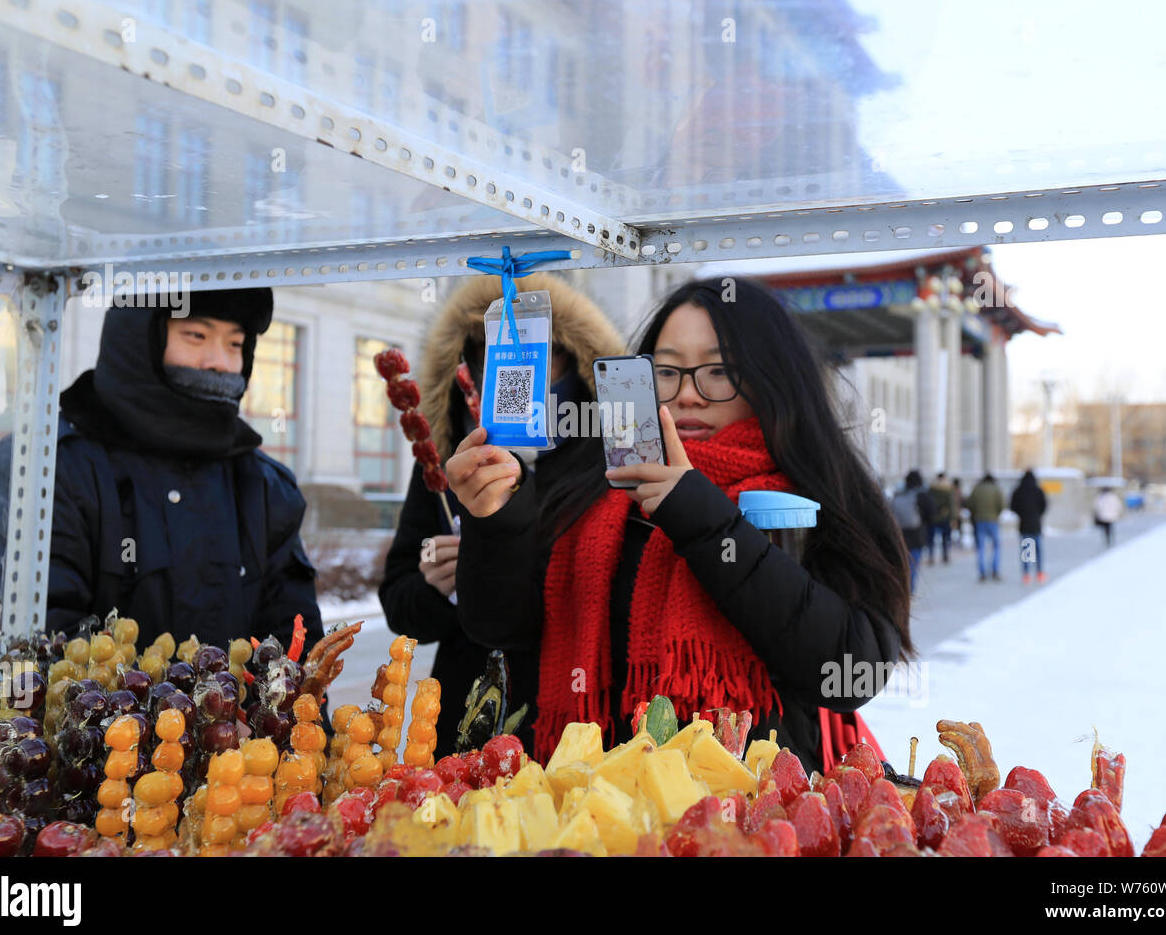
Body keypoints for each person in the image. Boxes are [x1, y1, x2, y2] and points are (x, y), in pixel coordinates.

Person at [447, 276, 913, 776]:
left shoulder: (815, 491)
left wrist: (697, 512)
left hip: (753, 818)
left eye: (719, 371)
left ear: (770, 379)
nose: (688, 395)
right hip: (598, 813)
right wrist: (496, 522)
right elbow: (502, 630)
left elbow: (849, 673)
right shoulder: (593, 489)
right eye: (666, 370)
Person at [0, 289, 322, 655]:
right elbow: (21, 673)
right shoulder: (39, 474)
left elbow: (296, 662)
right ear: (140, 340)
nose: (219, 362)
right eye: (196, 335)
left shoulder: (262, 486)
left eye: (235, 344)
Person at [378, 273, 623, 757]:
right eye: (490, 352)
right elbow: (400, 603)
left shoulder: (607, 458)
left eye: (539, 352)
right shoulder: (449, 461)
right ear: (467, 366)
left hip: (579, 720)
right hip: (469, 716)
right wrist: (440, 587)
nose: (515, 370)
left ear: (571, 359)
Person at [892, 470, 934, 593]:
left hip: (900, 533)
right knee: (914, 563)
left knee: (902, 562)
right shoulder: (922, 495)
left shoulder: (898, 494)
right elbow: (931, 514)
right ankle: (909, 589)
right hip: (917, 534)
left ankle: (902, 586)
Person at [1010, 469, 1048, 583]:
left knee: (1027, 551)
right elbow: (1044, 505)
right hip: (1036, 524)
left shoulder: (1018, 490)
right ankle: (1039, 572)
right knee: (1038, 550)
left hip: (1024, 524)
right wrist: (1037, 514)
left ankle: (1026, 574)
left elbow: (1013, 506)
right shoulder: (1038, 490)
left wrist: (1021, 514)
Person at [966, 472, 1004, 583]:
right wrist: (996, 514)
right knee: (996, 546)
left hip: (980, 521)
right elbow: (1001, 505)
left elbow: (969, 504)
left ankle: (982, 572)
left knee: (981, 547)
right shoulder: (996, 489)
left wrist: (976, 513)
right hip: (993, 521)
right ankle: (995, 570)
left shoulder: (977, 489)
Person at [926, 471, 954, 565]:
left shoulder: (931, 488)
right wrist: (952, 517)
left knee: (931, 538)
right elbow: (950, 504)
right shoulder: (948, 489)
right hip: (944, 516)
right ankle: (945, 555)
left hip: (932, 516)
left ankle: (931, 556)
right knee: (945, 537)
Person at [950, 477, 965, 550]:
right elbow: (962, 501)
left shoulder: (951, 491)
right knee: (958, 528)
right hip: (957, 513)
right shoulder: (959, 491)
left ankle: (952, 542)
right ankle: (959, 542)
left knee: (952, 528)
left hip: (952, 513)